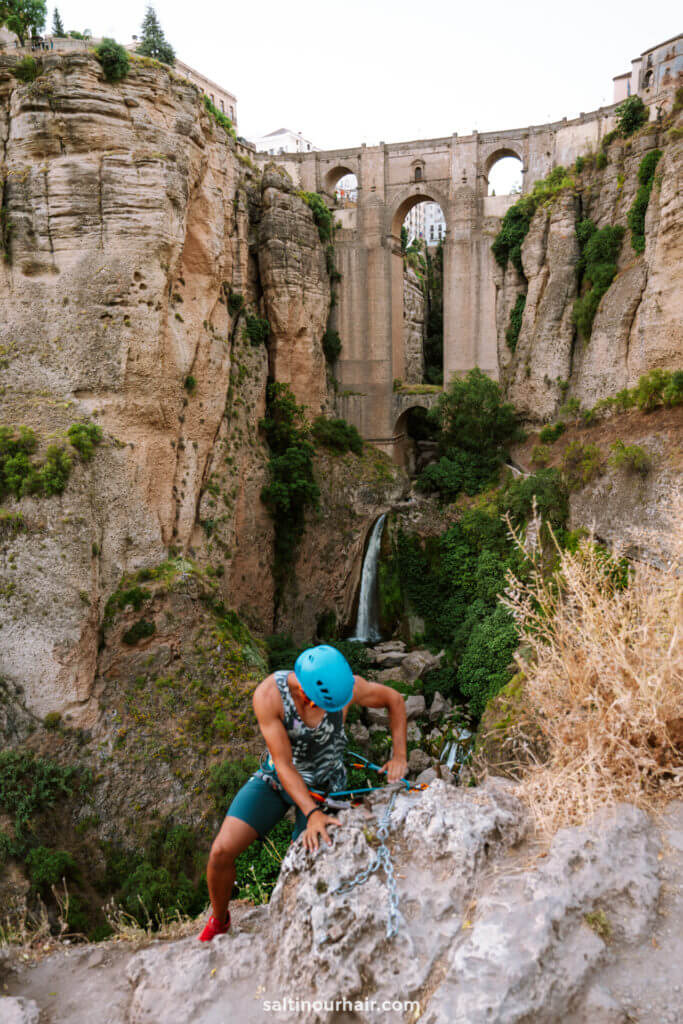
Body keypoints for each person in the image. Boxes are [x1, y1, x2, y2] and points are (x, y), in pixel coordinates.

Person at [198, 644, 408, 941]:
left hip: (326, 786)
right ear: (309, 700)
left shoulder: (345, 689)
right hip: (278, 778)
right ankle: (220, 920)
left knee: (302, 864)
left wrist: (399, 756)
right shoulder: (269, 696)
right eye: (330, 706)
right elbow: (283, 765)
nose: (338, 709)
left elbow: (394, 700)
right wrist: (311, 814)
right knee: (220, 852)